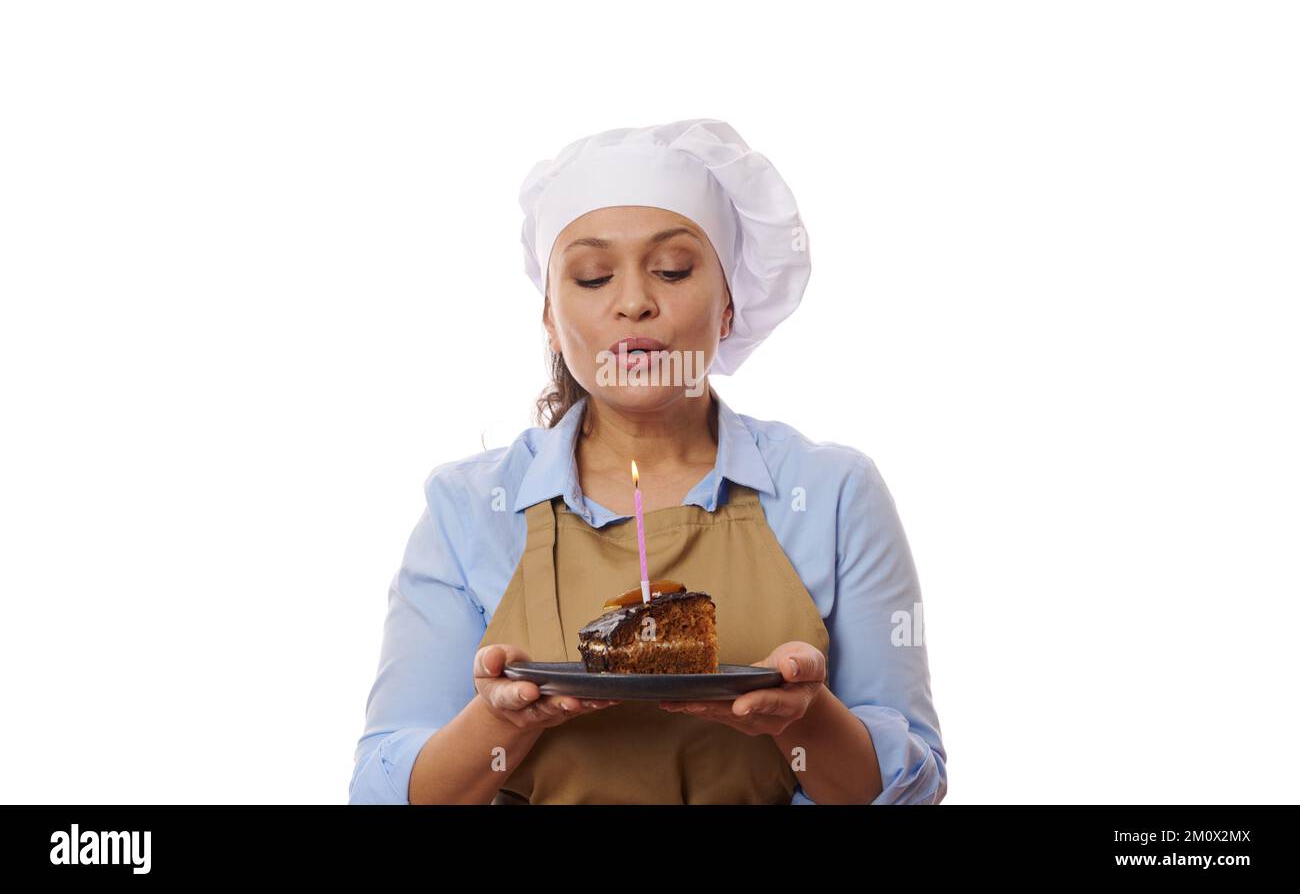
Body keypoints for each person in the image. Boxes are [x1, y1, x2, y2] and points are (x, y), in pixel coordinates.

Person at [349, 119, 947, 804]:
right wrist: (498, 722)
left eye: (672, 269)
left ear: (728, 306)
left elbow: (911, 786)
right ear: (549, 314)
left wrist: (805, 718)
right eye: (593, 276)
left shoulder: (836, 494)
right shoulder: (465, 511)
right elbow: (383, 789)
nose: (634, 301)